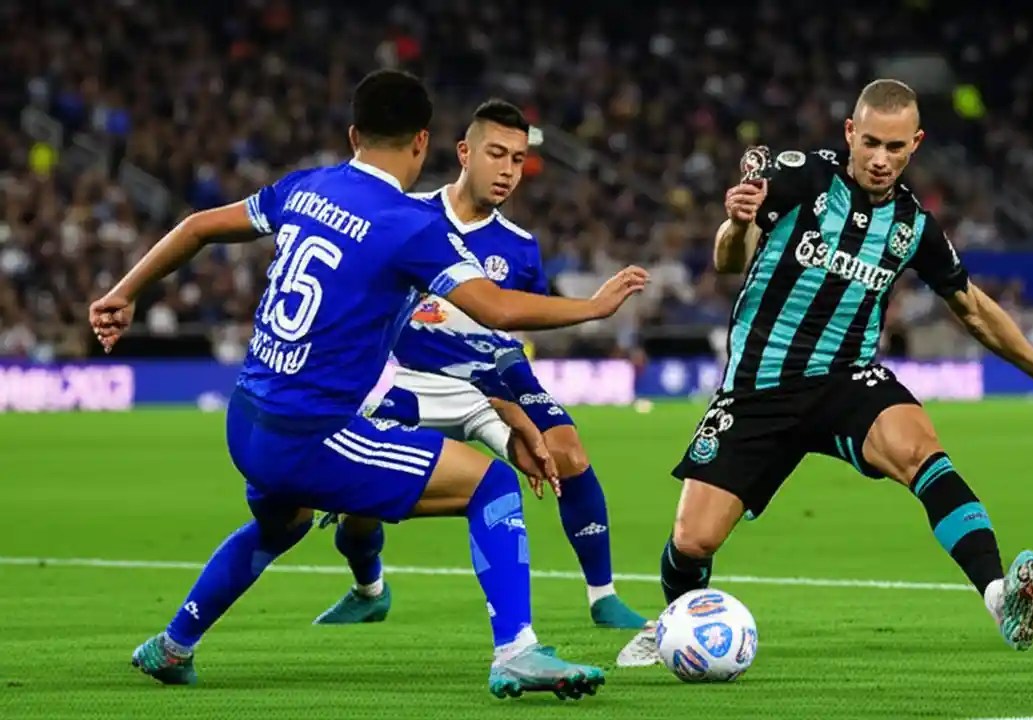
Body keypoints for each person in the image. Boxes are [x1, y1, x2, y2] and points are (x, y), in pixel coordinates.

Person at [91, 69, 648, 699]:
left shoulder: (307, 186)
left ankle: (171, 646)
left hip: (246, 415)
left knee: (281, 524)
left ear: (355, 133)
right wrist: (595, 308)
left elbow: (196, 227)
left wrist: (122, 294)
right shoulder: (409, 225)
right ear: (423, 144)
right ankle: (516, 651)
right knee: (491, 484)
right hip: (309, 434)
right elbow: (497, 309)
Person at [618, 78, 1033, 667]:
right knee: (693, 541)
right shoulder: (800, 176)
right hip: (758, 388)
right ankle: (676, 622)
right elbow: (727, 261)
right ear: (850, 132)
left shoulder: (912, 225)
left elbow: (971, 307)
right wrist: (738, 223)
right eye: (870, 142)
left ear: (915, 144)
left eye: (895, 148)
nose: (879, 158)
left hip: (846, 379)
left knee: (922, 450)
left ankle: (1000, 597)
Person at [314, 99, 648, 631]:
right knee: (359, 507)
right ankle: (368, 588)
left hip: (494, 370)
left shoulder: (520, 247)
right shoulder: (406, 215)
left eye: (518, 160)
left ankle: (603, 596)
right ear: (465, 152)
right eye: (497, 154)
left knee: (568, 453)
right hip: (409, 372)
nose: (508, 171)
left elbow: (524, 311)